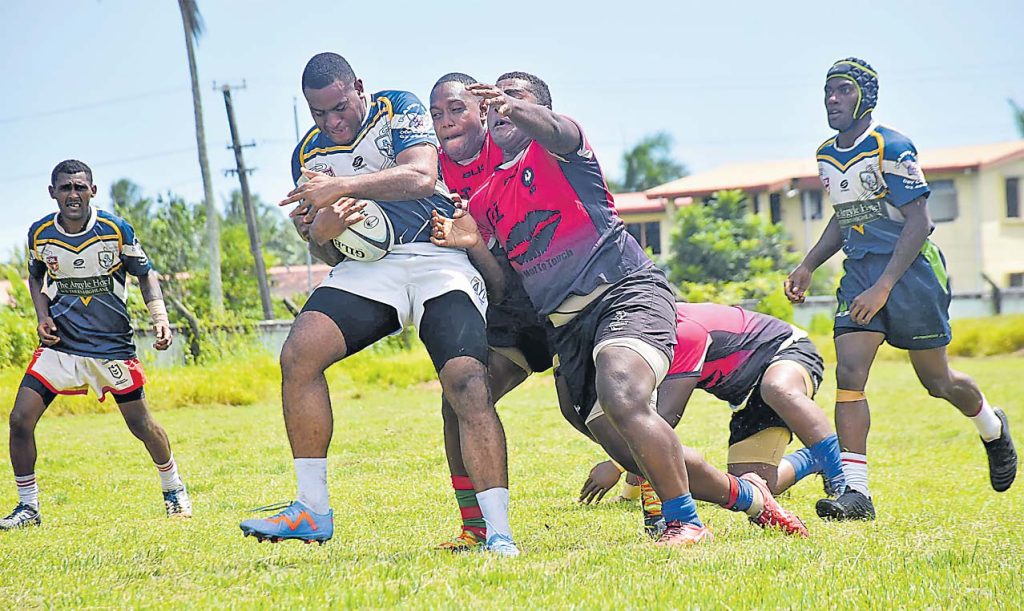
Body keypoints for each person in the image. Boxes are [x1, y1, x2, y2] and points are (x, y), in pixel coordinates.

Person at [434, 72, 809, 545]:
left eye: (515, 98)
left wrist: (514, 107)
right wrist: (473, 244)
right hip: (566, 327)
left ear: (540, 109)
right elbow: (507, 285)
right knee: (634, 452)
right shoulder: (486, 198)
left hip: (624, 293)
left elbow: (556, 129)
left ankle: (685, 522)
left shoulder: (562, 149)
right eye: (495, 101)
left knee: (622, 392)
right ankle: (750, 497)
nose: (501, 106)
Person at [239, 53, 519, 556]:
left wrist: (342, 186)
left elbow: (421, 179)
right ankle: (311, 509)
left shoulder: (398, 108)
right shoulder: (308, 156)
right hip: (372, 267)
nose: (332, 121)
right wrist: (323, 231)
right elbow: (321, 246)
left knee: (465, 381)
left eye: (340, 107)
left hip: (438, 253)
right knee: (299, 355)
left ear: (359, 89)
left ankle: (498, 532)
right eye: (319, 113)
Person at [784, 57, 1017, 521]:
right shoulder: (827, 155)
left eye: (844, 90)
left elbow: (920, 222)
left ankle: (992, 428)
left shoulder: (892, 146)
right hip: (860, 273)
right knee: (849, 375)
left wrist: (886, 287)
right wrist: (808, 264)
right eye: (828, 90)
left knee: (938, 382)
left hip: (911, 275)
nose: (832, 99)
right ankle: (857, 494)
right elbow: (844, 216)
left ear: (866, 97)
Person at [1, 159, 189, 531]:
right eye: (66, 187)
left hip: (111, 348)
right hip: (62, 346)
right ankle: (28, 507)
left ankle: (174, 488)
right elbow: (35, 276)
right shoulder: (39, 233)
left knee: (141, 425)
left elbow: (146, 274)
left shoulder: (115, 230)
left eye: (80, 187)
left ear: (93, 191)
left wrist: (160, 318)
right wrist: (43, 317)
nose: (73, 194)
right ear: (52, 192)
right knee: (20, 420)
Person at [578, 303, 845, 532]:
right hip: (746, 395)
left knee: (778, 388)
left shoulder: (684, 331)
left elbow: (666, 417)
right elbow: (647, 419)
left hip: (785, 353)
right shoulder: (645, 342)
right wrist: (629, 493)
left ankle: (844, 483)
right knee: (760, 484)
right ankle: (812, 460)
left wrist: (615, 464)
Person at [430, 72, 556, 551]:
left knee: (596, 410)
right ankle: (476, 527)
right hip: (507, 307)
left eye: (458, 109)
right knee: (458, 397)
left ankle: (657, 501)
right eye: (437, 114)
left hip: (560, 293)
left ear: (484, 110)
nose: (447, 122)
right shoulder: (430, 169)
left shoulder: (512, 146)